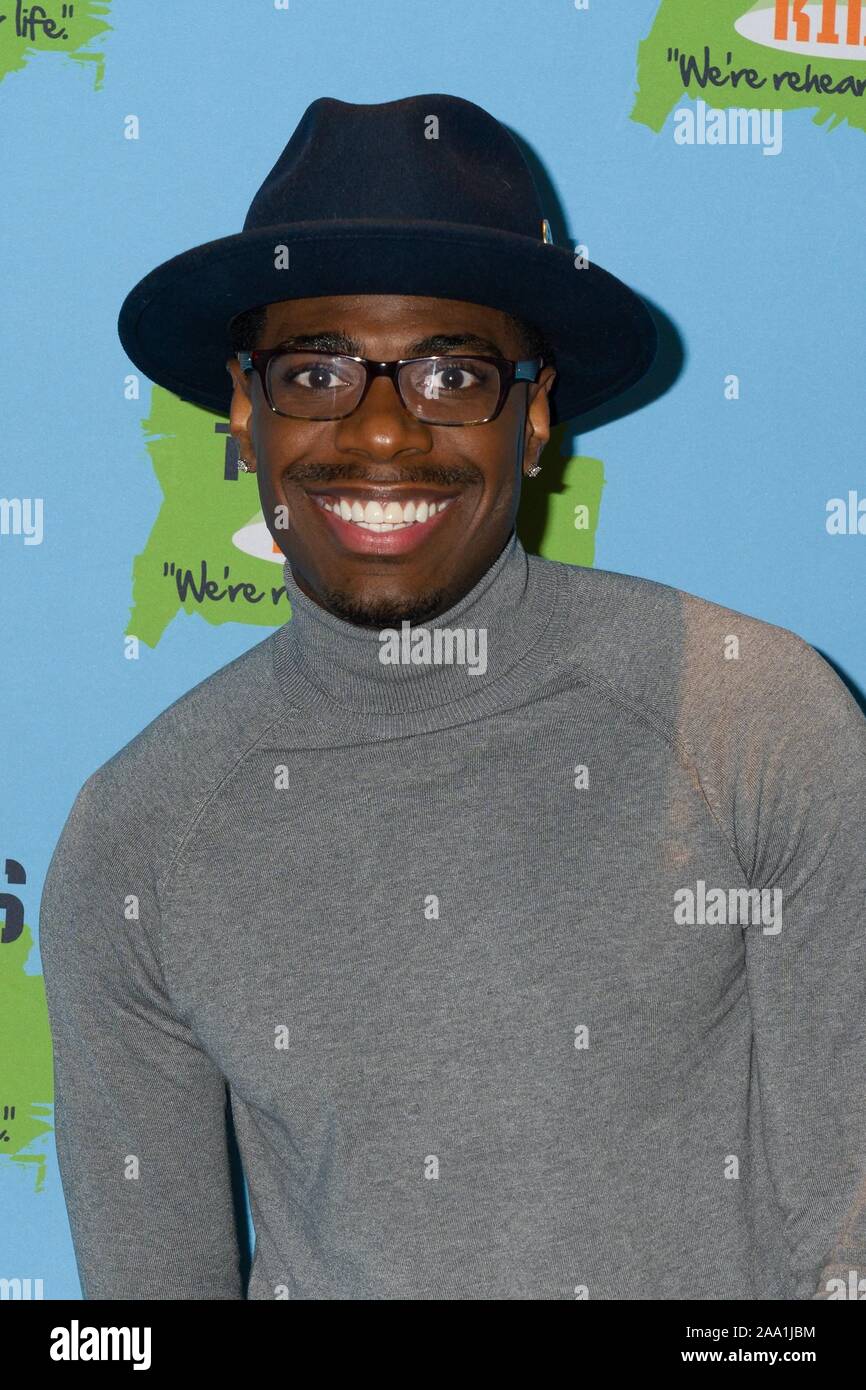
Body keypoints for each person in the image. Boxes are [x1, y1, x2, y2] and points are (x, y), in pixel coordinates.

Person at [39, 93, 866, 1300]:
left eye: (449, 372)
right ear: (243, 411)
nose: (381, 436)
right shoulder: (137, 833)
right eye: (315, 371)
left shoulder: (752, 722)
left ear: (533, 413)